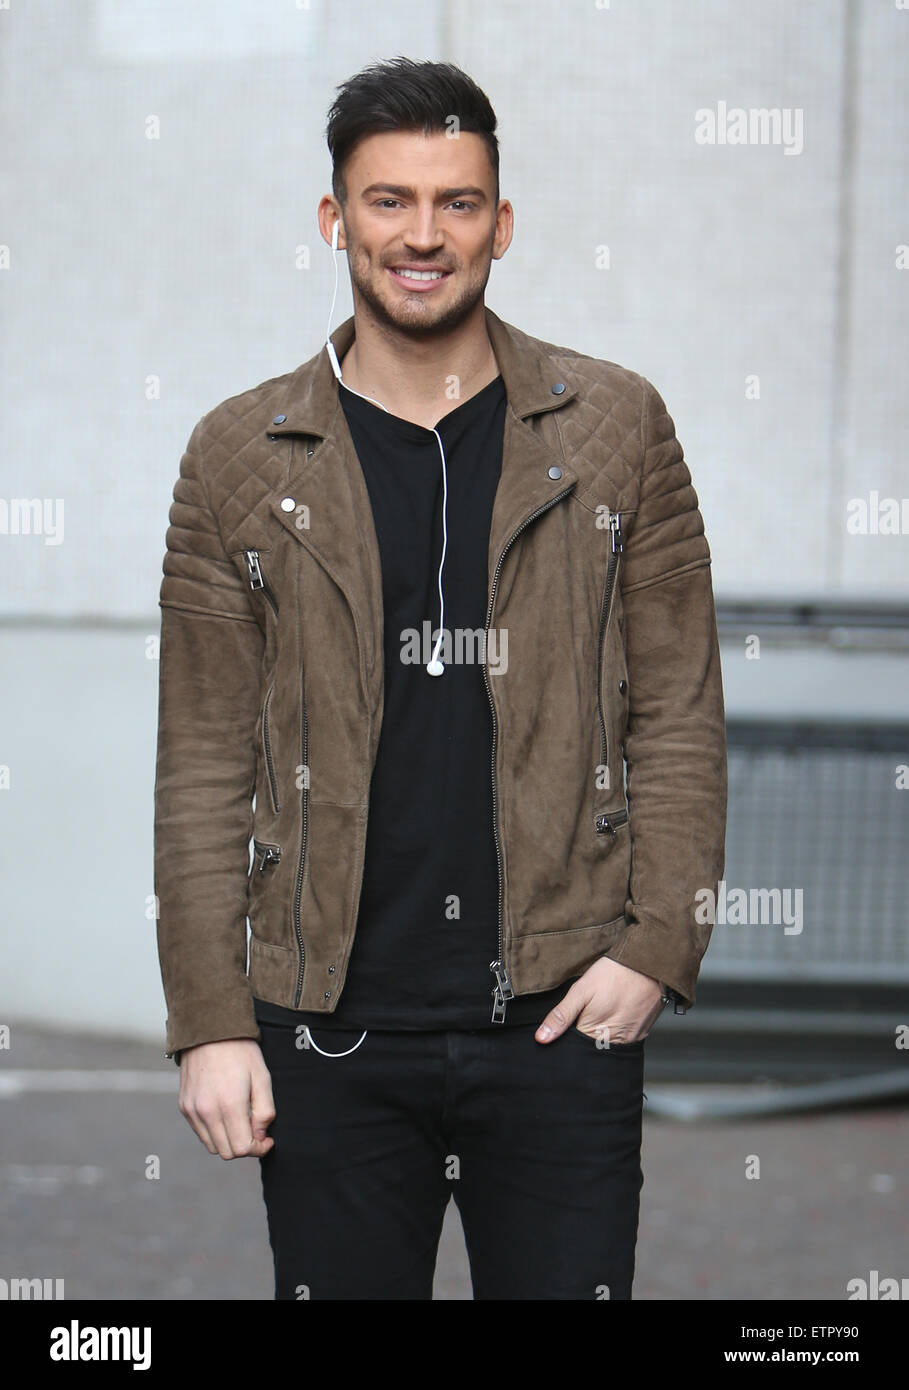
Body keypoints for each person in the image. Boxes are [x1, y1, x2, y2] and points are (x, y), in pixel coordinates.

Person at [153, 55, 727, 1300]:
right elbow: (203, 756)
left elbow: (678, 707)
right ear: (335, 220)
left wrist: (658, 943)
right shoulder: (238, 454)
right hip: (326, 1024)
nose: (424, 235)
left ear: (501, 223)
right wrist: (209, 1018)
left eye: (457, 202)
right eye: (389, 200)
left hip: (561, 1019)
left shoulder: (616, 427)